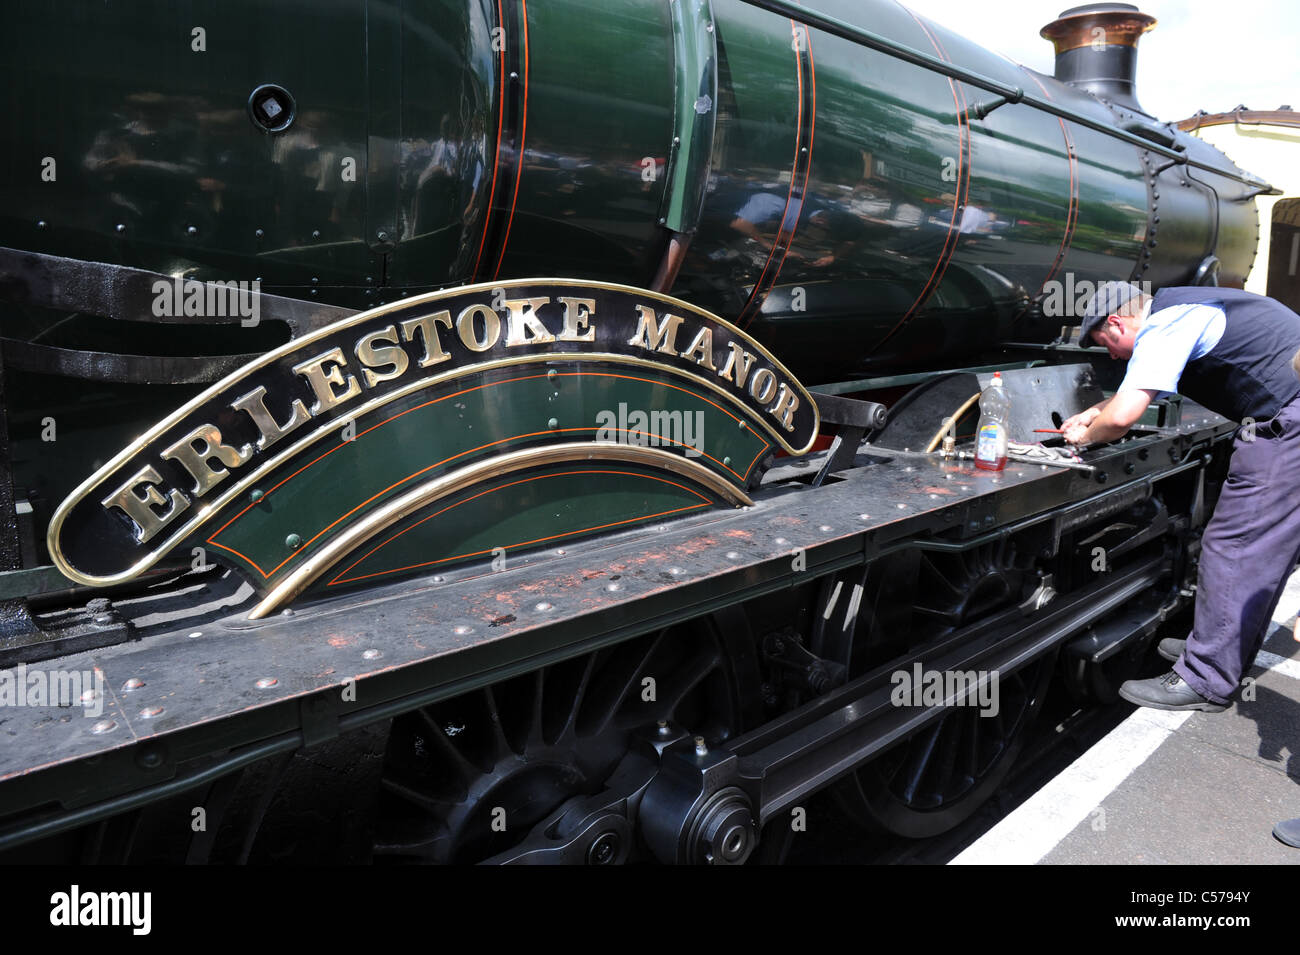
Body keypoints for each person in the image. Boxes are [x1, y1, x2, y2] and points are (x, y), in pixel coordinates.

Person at [1062, 282, 1300, 726]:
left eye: (1107, 343)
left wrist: (1086, 435)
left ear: (1117, 321)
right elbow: (1125, 401)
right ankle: (1221, 652)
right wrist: (1098, 409)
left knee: (1237, 547)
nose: (1112, 356)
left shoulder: (1166, 323)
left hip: (1290, 422)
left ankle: (1205, 680)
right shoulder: (1189, 306)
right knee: (1262, 553)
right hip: (1292, 410)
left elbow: (1123, 418)